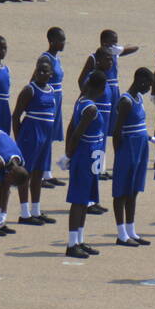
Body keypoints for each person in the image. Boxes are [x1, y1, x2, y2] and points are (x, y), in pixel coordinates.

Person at [62, 71, 107, 258]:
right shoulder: (90, 109)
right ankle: (72, 243)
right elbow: (76, 133)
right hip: (85, 155)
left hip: (89, 156)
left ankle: (80, 239)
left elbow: (71, 127)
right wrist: (69, 156)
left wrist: (68, 153)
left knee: (85, 200)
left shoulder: (81, 101)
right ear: (101, 89)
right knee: (79, 200)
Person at [12, 56, 59, 225]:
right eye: (39, 70)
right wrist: (18, 140)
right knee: (26, 173)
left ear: (51, 74)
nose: (41, 73)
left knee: (39, 173)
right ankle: (24, 213)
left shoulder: (51, 90)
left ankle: (36, 210)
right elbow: (16, 116)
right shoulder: (29, 90)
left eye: (45, 71)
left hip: (45, 137)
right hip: (31, 134)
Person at [111, 67, 155, 246]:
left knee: (134, 191)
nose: (149, 89)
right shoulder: (126, 101)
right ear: (140, 80)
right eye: (148, 85)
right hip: (127, 149)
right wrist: (120, 154)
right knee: (122, 191)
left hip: (140, 149)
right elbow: (116, 131)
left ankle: (131, 230)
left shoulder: (139, 98)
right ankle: (121, 234)